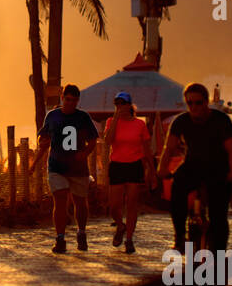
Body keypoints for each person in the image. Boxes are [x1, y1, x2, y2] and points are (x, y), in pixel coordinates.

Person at [158, 82, 232, 256]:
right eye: (190, 103)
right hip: (192, 166)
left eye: (198, 102)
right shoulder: (180, 121)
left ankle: (218, 257)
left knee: (218, 216)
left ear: (206, 102)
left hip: (218, 168)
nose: (194, 107)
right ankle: (180, 237)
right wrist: (161, 170)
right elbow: (169, 148)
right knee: (177, 191)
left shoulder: (221, 120)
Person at [30, 84, 98, 253]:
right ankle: (60, 238)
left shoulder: (83, 117)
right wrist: (39, 151)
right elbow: (43, 137)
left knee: (80, 202)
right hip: (56, 166)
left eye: (74, 100)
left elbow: (93, 141)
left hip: (78, 168)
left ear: (78, 101)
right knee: (60, 200)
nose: (70, 103)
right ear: (62, 98)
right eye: (68, 99)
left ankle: (81, 232)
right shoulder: (52, 116)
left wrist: (85, 153)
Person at [103, 92, 157, 254]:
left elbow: (147, 150)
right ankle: (120, 225)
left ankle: (129, 239)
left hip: (134, 165)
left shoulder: (139, 124)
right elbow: (107, 141)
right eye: (117, 104)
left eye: (122, 104)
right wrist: (115, 118)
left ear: (129, 105)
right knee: (114, 206)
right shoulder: (112, 121)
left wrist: (152, 172)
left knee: (132, 204)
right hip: (117, 165)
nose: (120, 107)